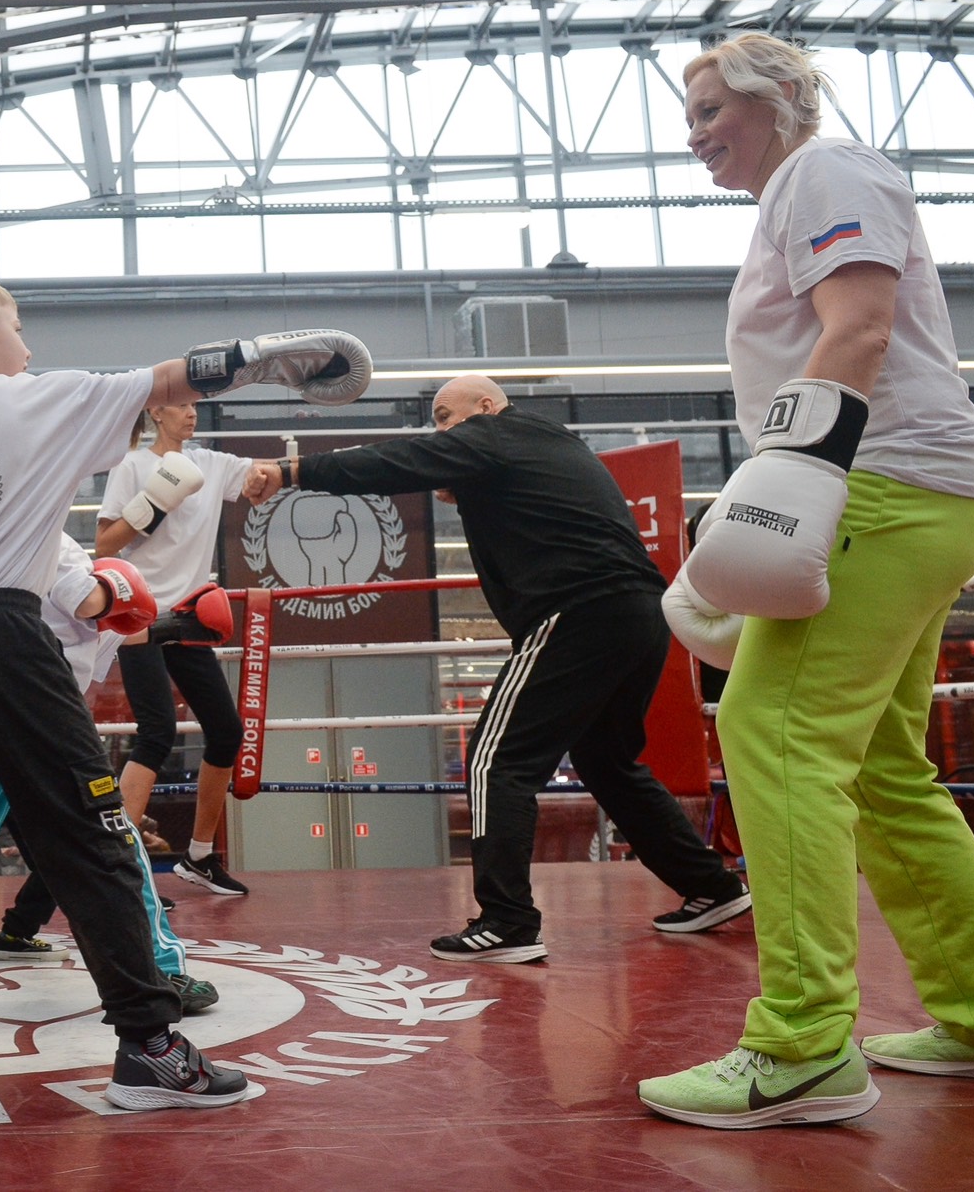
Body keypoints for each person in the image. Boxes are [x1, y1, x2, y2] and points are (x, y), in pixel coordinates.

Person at [640, 32, 974, 1129]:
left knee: (772, 729)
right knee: (879, 763)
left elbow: (859, 328)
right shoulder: (796, 193)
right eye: (686, 117)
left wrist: (772, 487)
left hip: (877, 489)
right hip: (913, 493)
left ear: (779, 94)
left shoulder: (823, 171)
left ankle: (798, 1045)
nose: (692, 135)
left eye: (708, 109)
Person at [0, 272, 368, 1109]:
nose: (28, 343)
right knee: (95, 830)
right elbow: (169, 380)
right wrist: (274, 356)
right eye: (16, 324)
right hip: (1, 634)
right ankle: (149, 1044)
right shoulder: (32, 398)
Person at [245, 374, 748, 964]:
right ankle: (711, 887)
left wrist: (291, 472)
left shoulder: (498, 431)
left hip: (579, 610)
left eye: (444, 416)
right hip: (636, 613)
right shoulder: (543, 444)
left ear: (485, 407)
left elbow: (402, 460)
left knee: (495, 759)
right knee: (607, 761)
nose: (439, 431)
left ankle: (507, 920)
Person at [0, 534, 224, 1016]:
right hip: (39, 719)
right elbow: (90, 604)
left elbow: (111, 626)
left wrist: (175, 625)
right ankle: (159, 967)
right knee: (111, 836)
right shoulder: (48, 540)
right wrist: (120, 587)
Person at [97, 404, 253, 897]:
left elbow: (264, 476)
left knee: (226, 731)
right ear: (157, 412)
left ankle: (200, 857)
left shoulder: (213, 464)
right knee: (157, 732)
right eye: (181, 405)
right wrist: (154, 502)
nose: (191, 413)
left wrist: (287, 473)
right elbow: (105, 544)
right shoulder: (132, 466)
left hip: (188, 615)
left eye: (194, 406)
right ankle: (121, 868)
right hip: (139, 616)